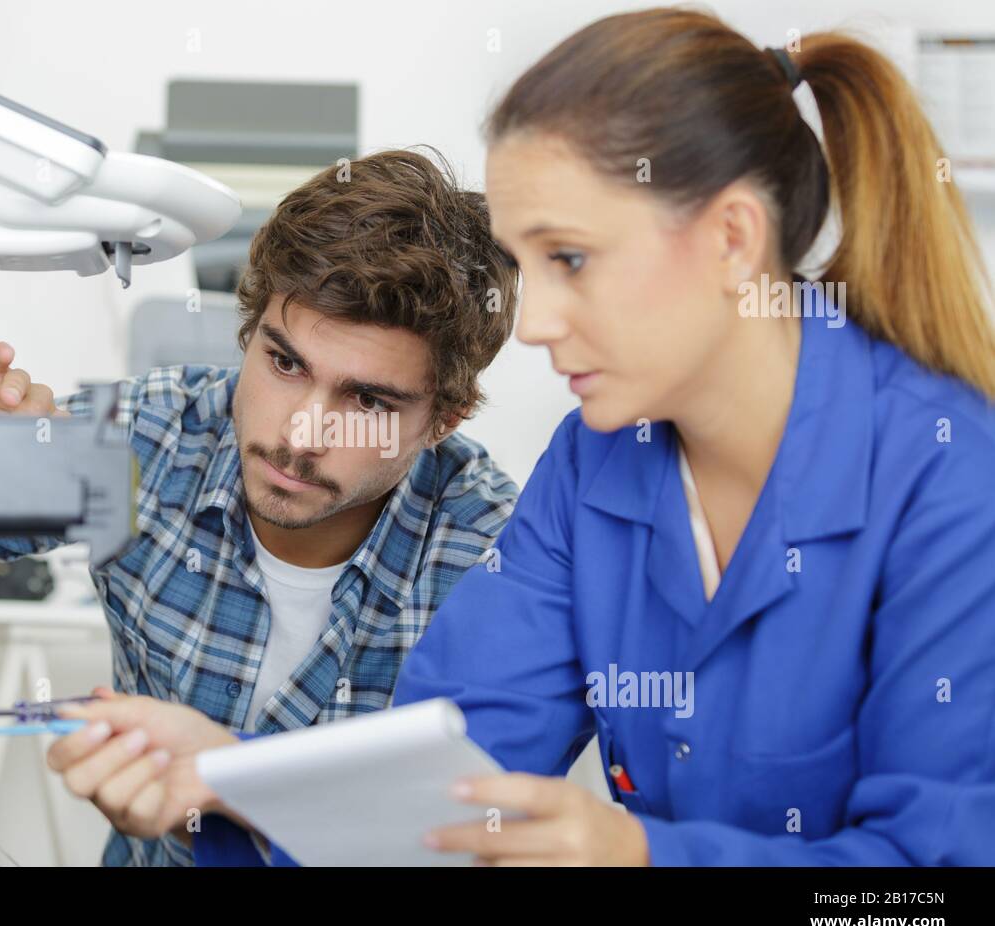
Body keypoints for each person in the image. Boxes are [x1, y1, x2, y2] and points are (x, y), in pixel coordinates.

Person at [49, 8, 995, 866]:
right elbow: (447, 783)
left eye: (571, 258)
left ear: (732, 240)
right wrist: (233, 778)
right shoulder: (598, 464)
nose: (535, 325)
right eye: (529, 263)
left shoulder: (952, 482)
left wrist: (645, 861)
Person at [0, 148, 519, 865]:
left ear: (446, 417)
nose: (299, 436)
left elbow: (468, 832)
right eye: (285, 363)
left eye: (368, 399)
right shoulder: (155, 438)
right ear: (248, 332)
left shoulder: (489, 554)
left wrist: (231, 777)